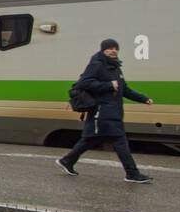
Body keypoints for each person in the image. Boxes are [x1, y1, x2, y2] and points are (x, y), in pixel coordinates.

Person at [56, 39, 154, 184]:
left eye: (116, 48)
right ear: (103, 50)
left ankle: (67, 160)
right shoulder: (97, 65)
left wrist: (143, 99)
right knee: (120, 141)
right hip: (102, 112)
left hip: (111, 111)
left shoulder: (115, 67)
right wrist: (108, 85)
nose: (113, 50)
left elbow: (124, 89)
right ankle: (132, 173)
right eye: (109, 48)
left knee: (89, 139)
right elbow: (83, 83)